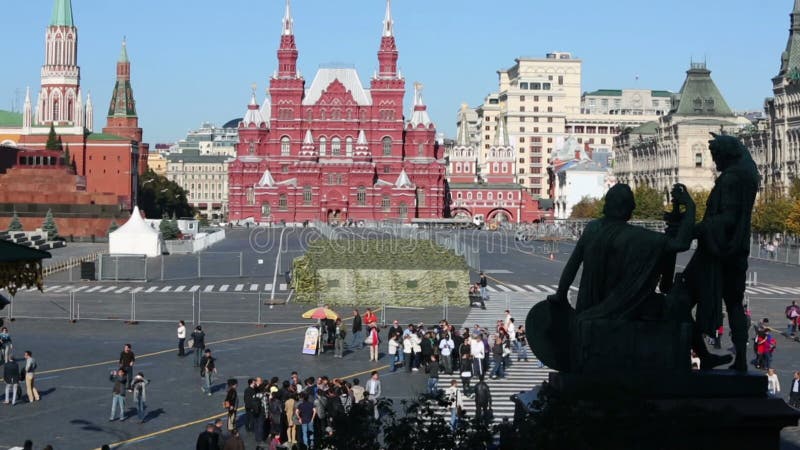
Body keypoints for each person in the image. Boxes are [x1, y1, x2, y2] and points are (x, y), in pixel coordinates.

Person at [684, 134, 759, 371]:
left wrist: (693, 228)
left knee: (680, 302)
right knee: (735, 302)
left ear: (726, 155)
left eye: (716, 156)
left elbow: (726, 217)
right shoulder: (747, 175)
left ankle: (703, 354)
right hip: (736, 250)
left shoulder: (730, 179)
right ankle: (741, 361)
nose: (714, 162)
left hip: (714, 252)